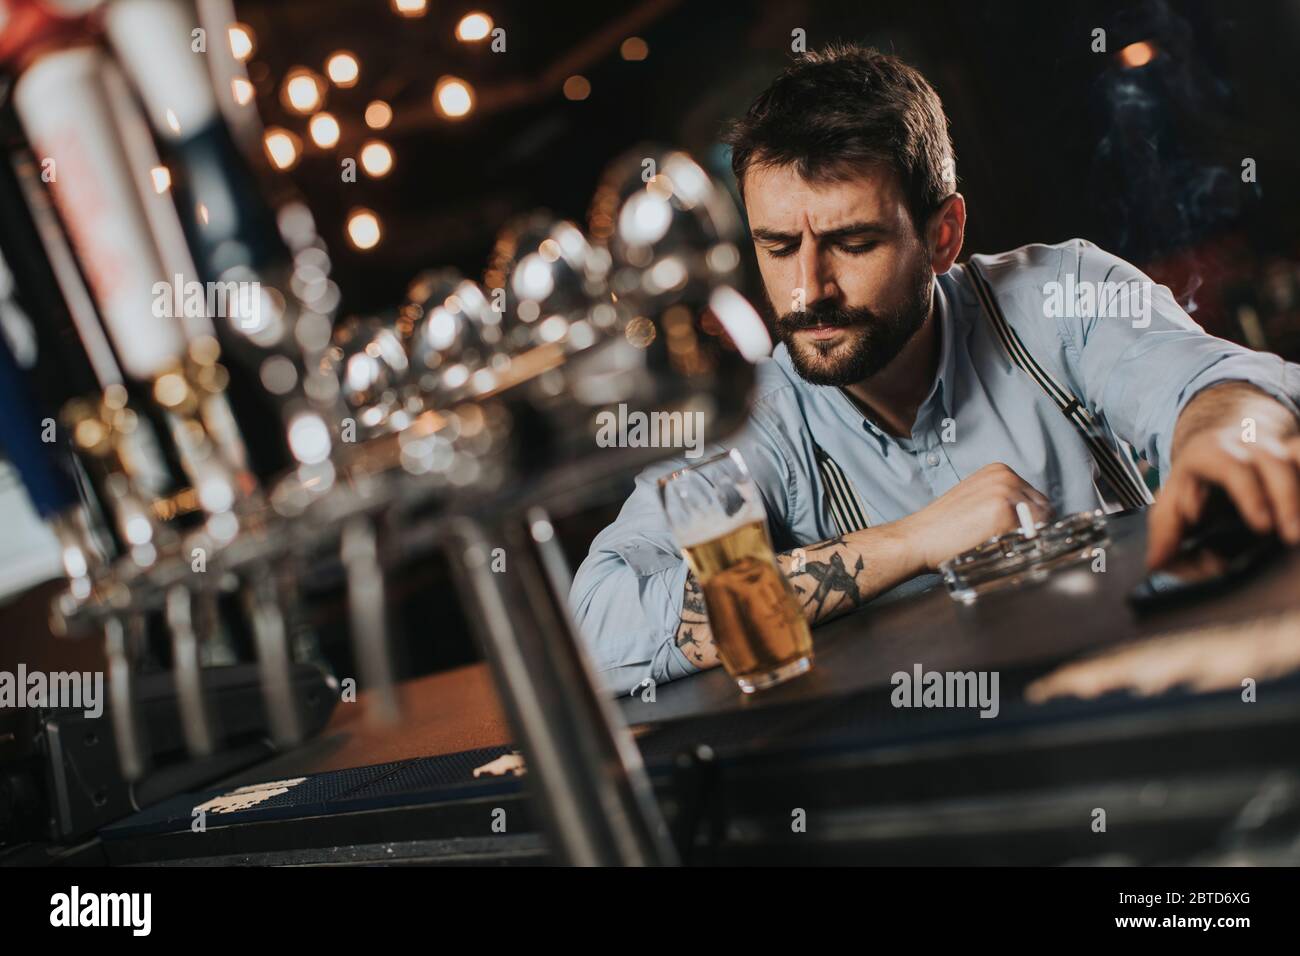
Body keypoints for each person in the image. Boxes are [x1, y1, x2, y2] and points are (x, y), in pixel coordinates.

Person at [570, 43, 1300, 694]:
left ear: (942, 234)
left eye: (852, 243)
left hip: (1145, 691)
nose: (808, 290)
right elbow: (600, 626)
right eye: (778, 246)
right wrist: (910, 542)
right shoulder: (755, 416)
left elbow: (1220, 386)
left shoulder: (1061, 295)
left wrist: (1220, 439)